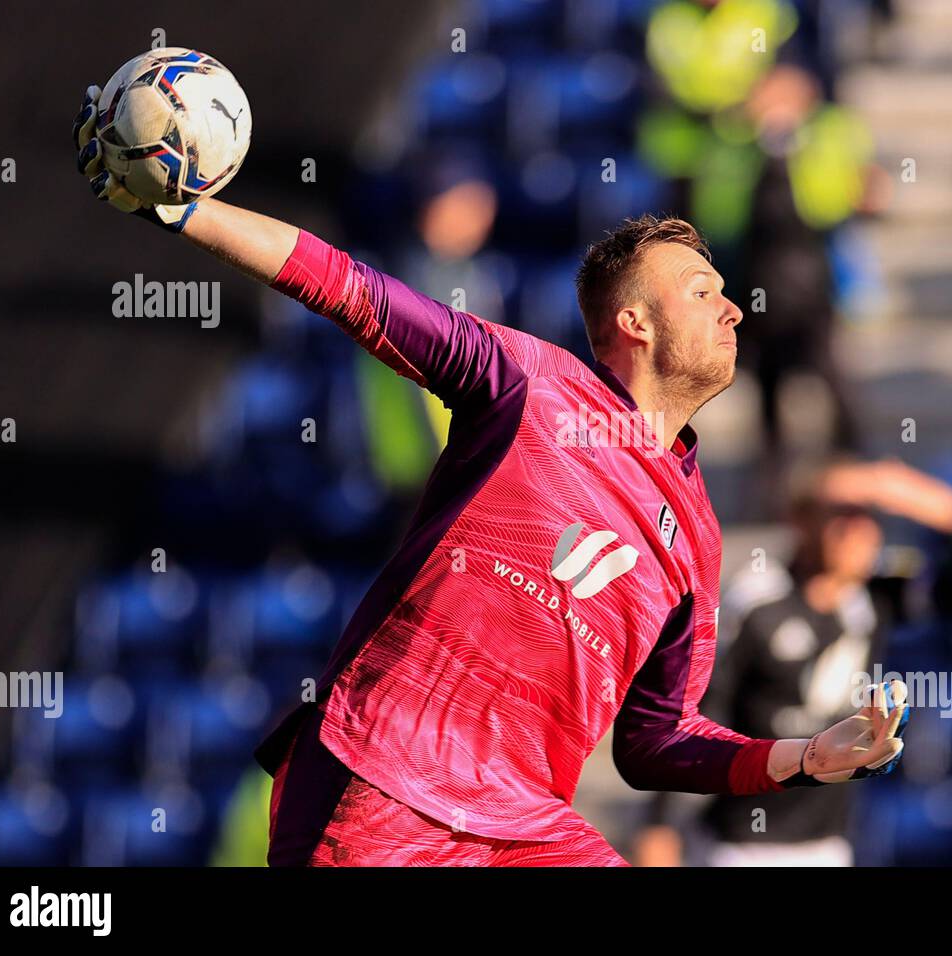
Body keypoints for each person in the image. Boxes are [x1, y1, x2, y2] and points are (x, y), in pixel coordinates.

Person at [73, 87, 909, 866]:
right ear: (634, 322)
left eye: (726, 292)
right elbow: (348, 288)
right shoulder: (525, 382)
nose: (731, 308)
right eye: (701, 291)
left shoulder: (696, 530)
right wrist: (188, 213)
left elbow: (656, 741)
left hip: (520, 823)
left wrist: (803, 757)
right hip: (383, 781)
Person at [635, 459, 952, 866]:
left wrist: (939, 508)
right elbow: (701, 712)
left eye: (865, 516)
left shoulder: (875, 598)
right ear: (801, 521)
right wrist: (662, 825)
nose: (856, 531)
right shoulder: (758, 602)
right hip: (743, 842)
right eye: (839, 515)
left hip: (827, 842)